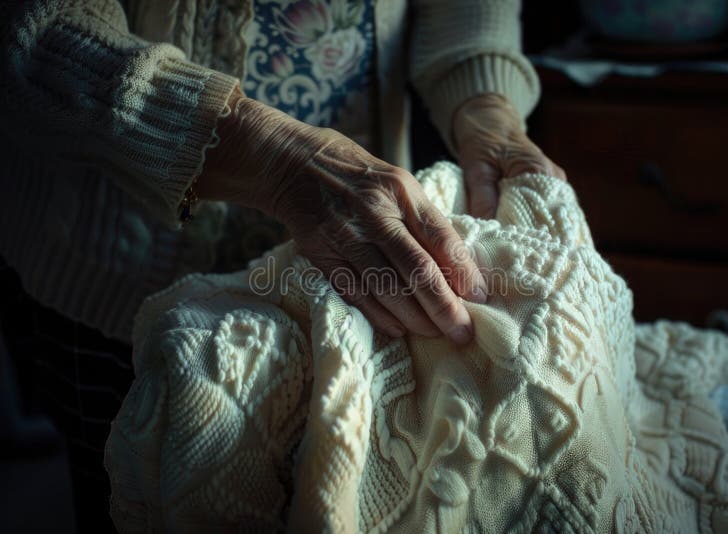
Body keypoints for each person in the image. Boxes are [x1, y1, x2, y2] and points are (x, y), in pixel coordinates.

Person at [0, 0, 563, 530]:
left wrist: (486, 106)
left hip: (361, 282)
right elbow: (36, 32)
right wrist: (273, 159)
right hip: (117, 270)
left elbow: (468, 15)